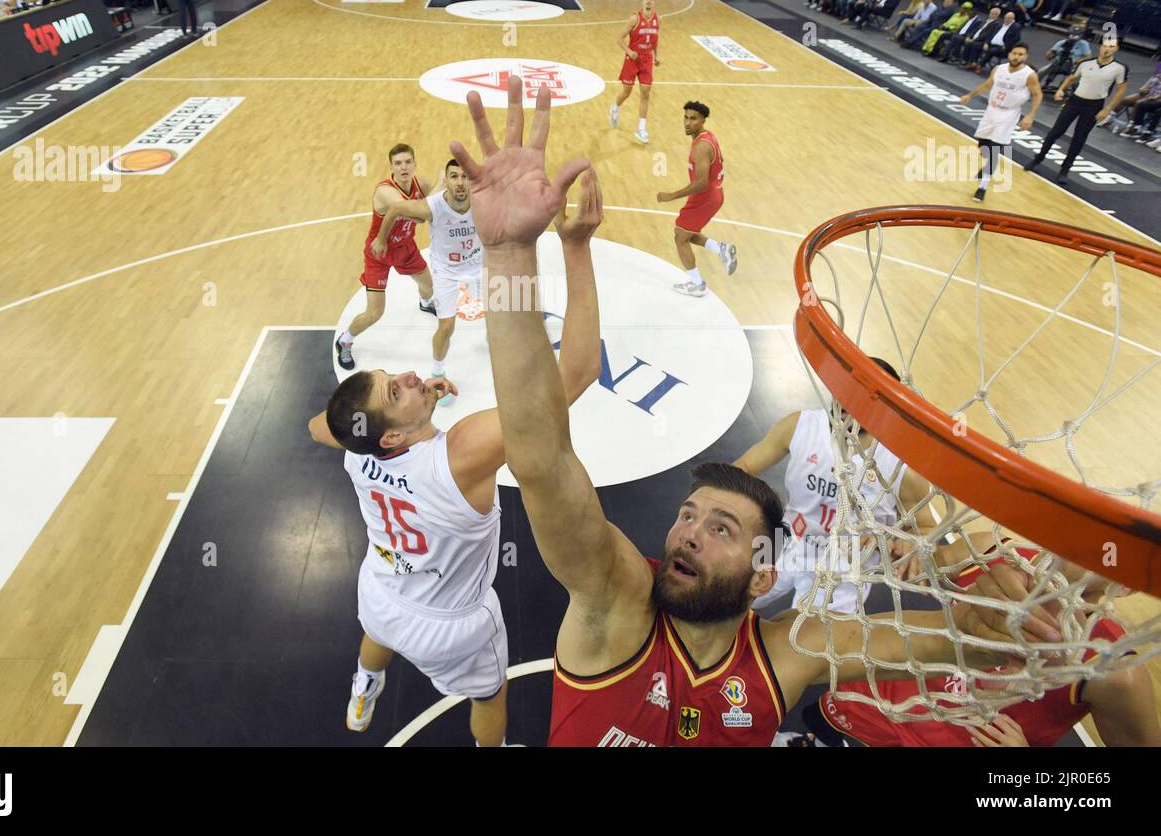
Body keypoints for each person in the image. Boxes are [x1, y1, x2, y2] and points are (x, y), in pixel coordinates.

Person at [448, 77, 1033, 746]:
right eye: (688, 516)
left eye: (720, 527)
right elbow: (542, 459)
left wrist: (994, 598)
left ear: (763, 573)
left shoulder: (788, 654)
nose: (686, 533)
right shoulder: (615, 602)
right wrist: (509, 256)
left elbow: (967, 644)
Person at [306, 182, 604, 746]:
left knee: (377, 634)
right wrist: (576, 248)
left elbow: (320, 427)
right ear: (391, 436)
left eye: (396, 376)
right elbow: (579, 372)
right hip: (454, 626)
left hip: (382, 589)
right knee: (491, 699)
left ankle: (363, 690)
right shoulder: (463, 453)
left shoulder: (356, 448)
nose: (413, 377)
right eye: (398, 392)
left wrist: (410, 413)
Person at [817, 547, 1161, 747]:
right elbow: (915, 556)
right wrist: (901, 548)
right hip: (866, 704)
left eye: (1107, 544)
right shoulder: (992, 550)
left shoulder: (1115, 671)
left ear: (1125, 586)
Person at [734, 366, 932, 614]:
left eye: (864, 400)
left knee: (805, 643)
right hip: (787, 540)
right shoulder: (800, 426)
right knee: (724, 597)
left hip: (846, 567)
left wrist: (908, 542)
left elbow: (925, 527)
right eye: (847, 392)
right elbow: (742, 468)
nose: (849, 404)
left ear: (886, 406)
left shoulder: (901, 465)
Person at [369, 160, 481, 404]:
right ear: (446, 181)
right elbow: (396, 209)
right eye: (454, 177)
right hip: (447, 271)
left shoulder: (484, 201)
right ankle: (438, 371)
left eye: (464, 177)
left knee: (504, 310)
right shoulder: (433, 207)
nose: (460, 182)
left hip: (477, 265)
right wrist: (381, 239)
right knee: (446, 327)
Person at [336, 144, 437, 370]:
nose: (403, 167)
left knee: (429, 288)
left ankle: (424, 303)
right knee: (375, 313)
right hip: (379, 253)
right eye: (398, 163)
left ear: (414, 164)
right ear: (391, 167)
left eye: (407, 162)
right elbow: (418, 213)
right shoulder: (385, 191)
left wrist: (446, 183)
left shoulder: (421, 184)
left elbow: (438, 200)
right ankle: (345, 340)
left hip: (405, 248)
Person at [656, 100, 736, 297]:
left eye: (693, 119)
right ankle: (721, 249)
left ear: (702, 121)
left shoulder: (701, 147)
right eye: (686, 117)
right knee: (686, 233)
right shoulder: (709, 137)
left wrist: (670, 196)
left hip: (705, 197)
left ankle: (697, 284)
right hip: (711, 195)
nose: (687, 123)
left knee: (680, 238)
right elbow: (720, 160)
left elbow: (701, 182)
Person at [1027, 38, 1129, 185]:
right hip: (1075, 101)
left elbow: (1121, 90)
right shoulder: (1086, 63)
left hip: (1094, 105)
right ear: (1101, 46)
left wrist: (1107, 109)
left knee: (1079, 138)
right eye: (1105, 45)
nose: (1107, 49)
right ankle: (1038, 159)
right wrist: (1061, 89)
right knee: (1055, 132)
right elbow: (1071, 78)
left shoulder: (1119, 68)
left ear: (1116, 48)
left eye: (1111, 46)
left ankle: (1065, 170)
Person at [959, 42, 1042, 202]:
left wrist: (1030, 116)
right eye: (1014, 53)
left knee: (994, 150)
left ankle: (982, 187)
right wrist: (970, 95)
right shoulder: (999, 69)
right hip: (992, 110)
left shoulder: (1029, 75)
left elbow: (1038, 95)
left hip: (1008, 114)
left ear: (1026, 57)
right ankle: (986, 167)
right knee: (983, 145)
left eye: (1020, 54)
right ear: (1010, 53)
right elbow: (988, 84)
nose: (1016, 56)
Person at [610, 0, 660, 145]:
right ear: (642, 1)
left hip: (647, 60)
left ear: (655, 2)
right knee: (627, 91)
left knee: (645, 94)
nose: (649, 1)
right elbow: (619, 39)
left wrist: (656, 55)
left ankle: (641, 129)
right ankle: (615, 107)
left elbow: (655, 39)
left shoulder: (658, 19)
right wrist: (629, 52)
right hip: (632, 59)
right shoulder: (634, 19)